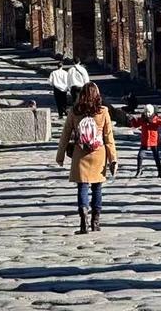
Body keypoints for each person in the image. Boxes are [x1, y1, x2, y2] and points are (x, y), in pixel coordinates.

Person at [57, 82, 118, 234]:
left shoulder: (74, 112)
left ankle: (83, 217)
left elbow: (65, 135)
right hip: (99, 153)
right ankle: (95, 222)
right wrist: (113, 159)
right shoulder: (103, 111)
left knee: (82, 186)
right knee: (97, 187)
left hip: (80, 152)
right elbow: (108, 137)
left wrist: (60, 156)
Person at [130, 104, 161, 178]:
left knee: (156, 156)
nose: (147, 114)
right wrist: (132, 119)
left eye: (149, 112)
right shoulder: (142, 119)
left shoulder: (156, 119)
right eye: (146, 112)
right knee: (140, 156)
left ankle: (160, 171)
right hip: (145, 140)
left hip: (154, 141)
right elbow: (136, 124)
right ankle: (139, 171)